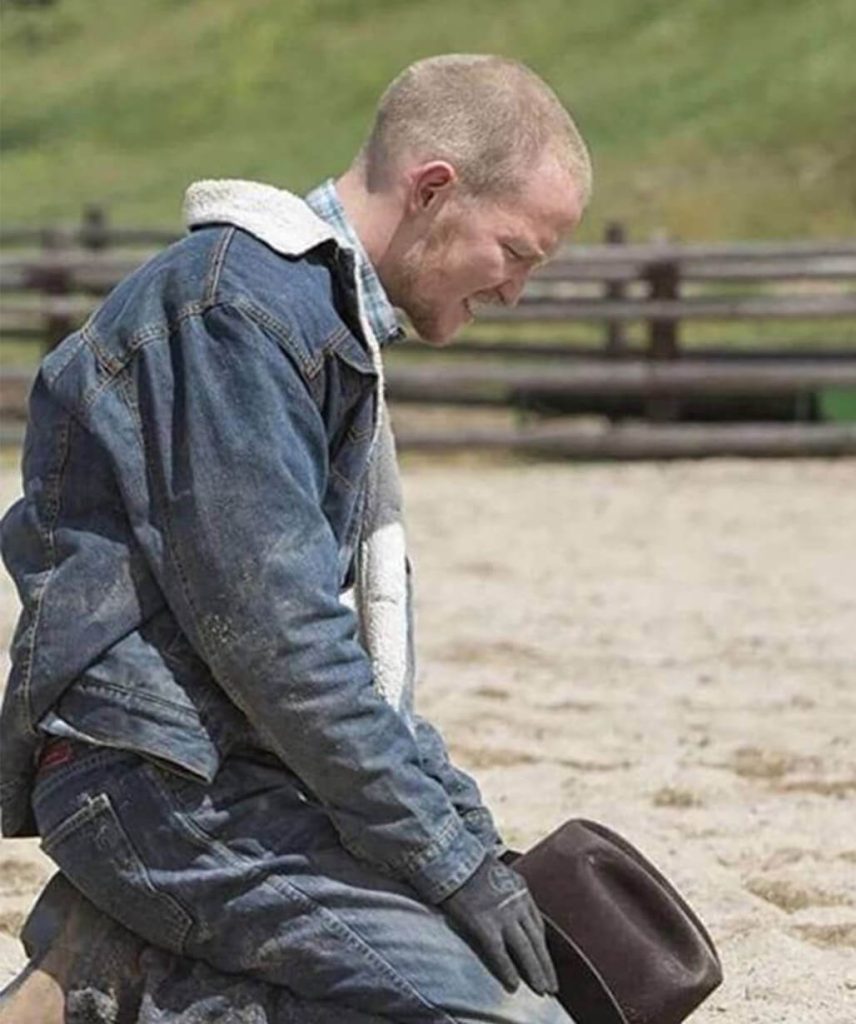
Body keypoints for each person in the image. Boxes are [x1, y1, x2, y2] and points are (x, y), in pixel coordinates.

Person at [0, 54, 591, 1023]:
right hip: (164, 785)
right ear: (435, 189)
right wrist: (447, 862)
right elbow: (279, 647)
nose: (516, 290)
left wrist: (473, 848)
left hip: (236, 776)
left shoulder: (307, 319)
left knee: (524, 987)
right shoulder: (238, 313)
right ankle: (120, 982)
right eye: (516, 252)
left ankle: (108, 959)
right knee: (498, 1015)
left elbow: (322, 659)